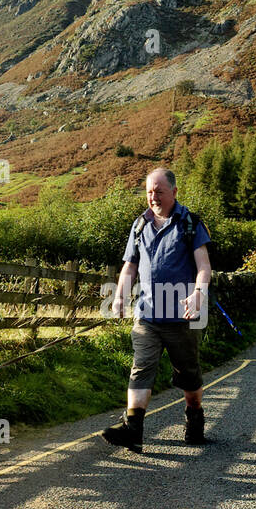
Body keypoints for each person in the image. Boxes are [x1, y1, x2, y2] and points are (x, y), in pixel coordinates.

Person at [102, 167, 212, 454]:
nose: (153, 197)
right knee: (141, 370)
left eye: (159, 192)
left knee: (189, 378)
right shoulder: (139, 225)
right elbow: (130, 266)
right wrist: (119, 297)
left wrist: (199, 294)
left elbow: (204, 267)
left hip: (182, 318)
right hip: (147, 316)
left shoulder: (190, 223)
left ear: (174, 192)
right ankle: (133, 431)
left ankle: (195, 418)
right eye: (150, 191)